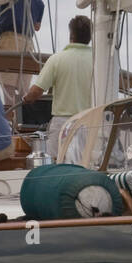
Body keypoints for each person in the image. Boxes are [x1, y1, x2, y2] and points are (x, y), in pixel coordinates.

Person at [23, 15, 93, 163]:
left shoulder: (57, 59)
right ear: (90, 36)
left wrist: (26, 98)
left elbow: (36, 91)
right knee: (87, 162)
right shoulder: (98, 59)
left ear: (71, 35)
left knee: (54, 163)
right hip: (92, 122)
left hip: (63, 124)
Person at [0, 0, 45, 107]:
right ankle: (20, 118)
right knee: (23, 89)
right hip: (28, 43)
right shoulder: (38, 0)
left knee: (8, 87)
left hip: (10, 39)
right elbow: (37, 27)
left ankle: (11, 118)